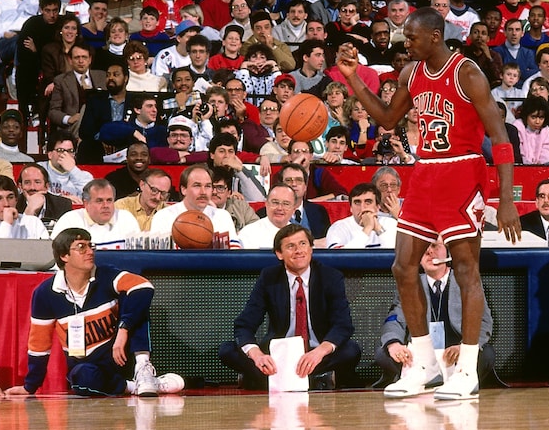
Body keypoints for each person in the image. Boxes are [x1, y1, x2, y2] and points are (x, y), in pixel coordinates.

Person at [333, 7, 520, 401]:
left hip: (463, 171)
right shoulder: (410, 74)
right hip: (425, 172)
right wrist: (352, 79)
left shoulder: (467, 72)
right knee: (403, 266)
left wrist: (506, 200)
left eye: (412, 36)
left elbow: (501, 137)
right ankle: (422, 364)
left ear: (435, 36)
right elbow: (385, 119)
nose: (406, 42)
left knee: (467, 269)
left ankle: (467, 369)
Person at [5, 229, 184, 398]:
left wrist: (123, 328)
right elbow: (39, 345)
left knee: (135, 302)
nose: (90, 251)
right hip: (90, 366)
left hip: (122, 357)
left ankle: (143, 369)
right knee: (82, 379)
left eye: (91, 246)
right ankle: (135, 386)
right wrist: (30, 386)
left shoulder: (106, 274)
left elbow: (143, 286)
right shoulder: (45, 293)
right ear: (64, 256)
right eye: (81, 247)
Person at [218, 224, 361, 391]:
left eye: (303, 244)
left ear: (311, 248)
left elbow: (343, 325)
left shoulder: (330, 277)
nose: (299, 250)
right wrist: (258, 356)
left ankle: (264, 380)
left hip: (317, 353)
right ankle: (315, 381)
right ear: (279, 254)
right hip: (279, 354)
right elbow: (244, 325)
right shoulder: (269, 278)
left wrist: (319, 352)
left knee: (351, 350)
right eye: (290, 246)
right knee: (227, 350)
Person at [376, 236, 497, 391]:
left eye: (435, 246)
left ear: (448, 252)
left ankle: (459, 377)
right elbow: (394, 319)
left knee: (486, 354)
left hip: (455, 353)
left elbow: (484, 322)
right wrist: (394, 344)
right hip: (420, 355)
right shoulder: (410, 285)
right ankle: (425, 376)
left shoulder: (467, 282)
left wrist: (464, 348)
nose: (429, 251)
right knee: (383, 353)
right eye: (424, 248)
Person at [149, 164, 239, 247]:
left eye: (208, 186)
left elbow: (234, 255)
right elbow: (158, 258)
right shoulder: (164, 217)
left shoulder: (222, 216)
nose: (203, 192)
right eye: (197, 186)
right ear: (183, 189)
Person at [325, 183, 398, 248]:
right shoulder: (338, 227)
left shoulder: (390, 223)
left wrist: (378, 229)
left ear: (378, 207)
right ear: (351, 208)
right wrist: (367, 228)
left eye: (368, 202)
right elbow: (338, 258)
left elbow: (397, 254)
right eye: (357, 202)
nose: (363, 208)